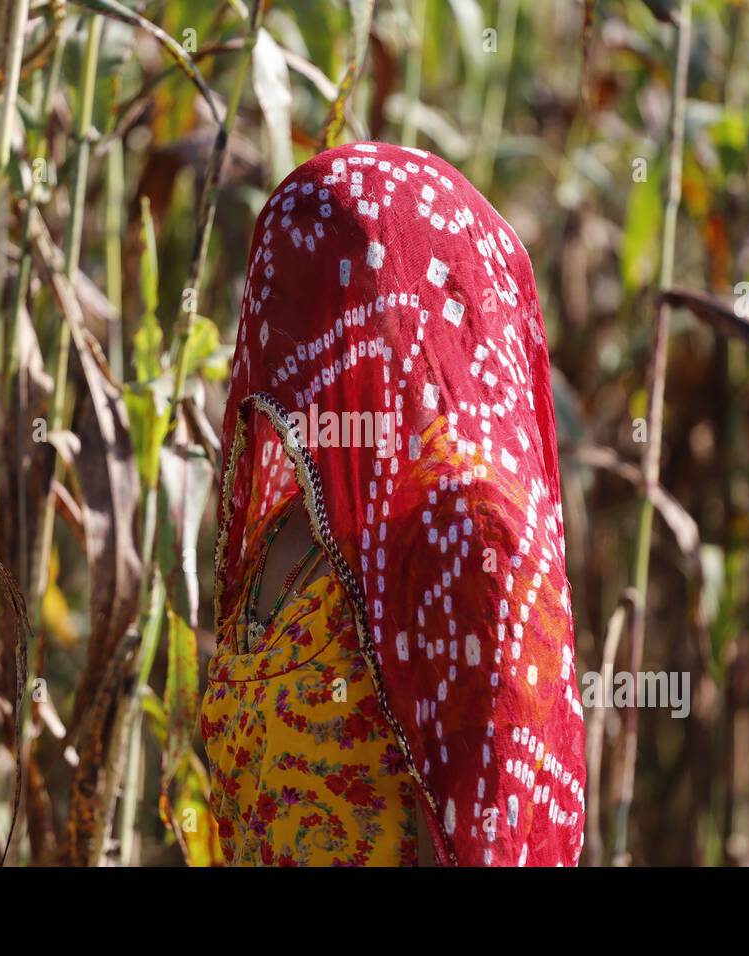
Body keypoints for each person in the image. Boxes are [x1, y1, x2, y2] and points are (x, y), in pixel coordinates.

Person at [201, 141, 585, 866]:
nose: (282, 329)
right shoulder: (283, 530)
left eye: (315, 290)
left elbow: (485, 830)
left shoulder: (464, 529)